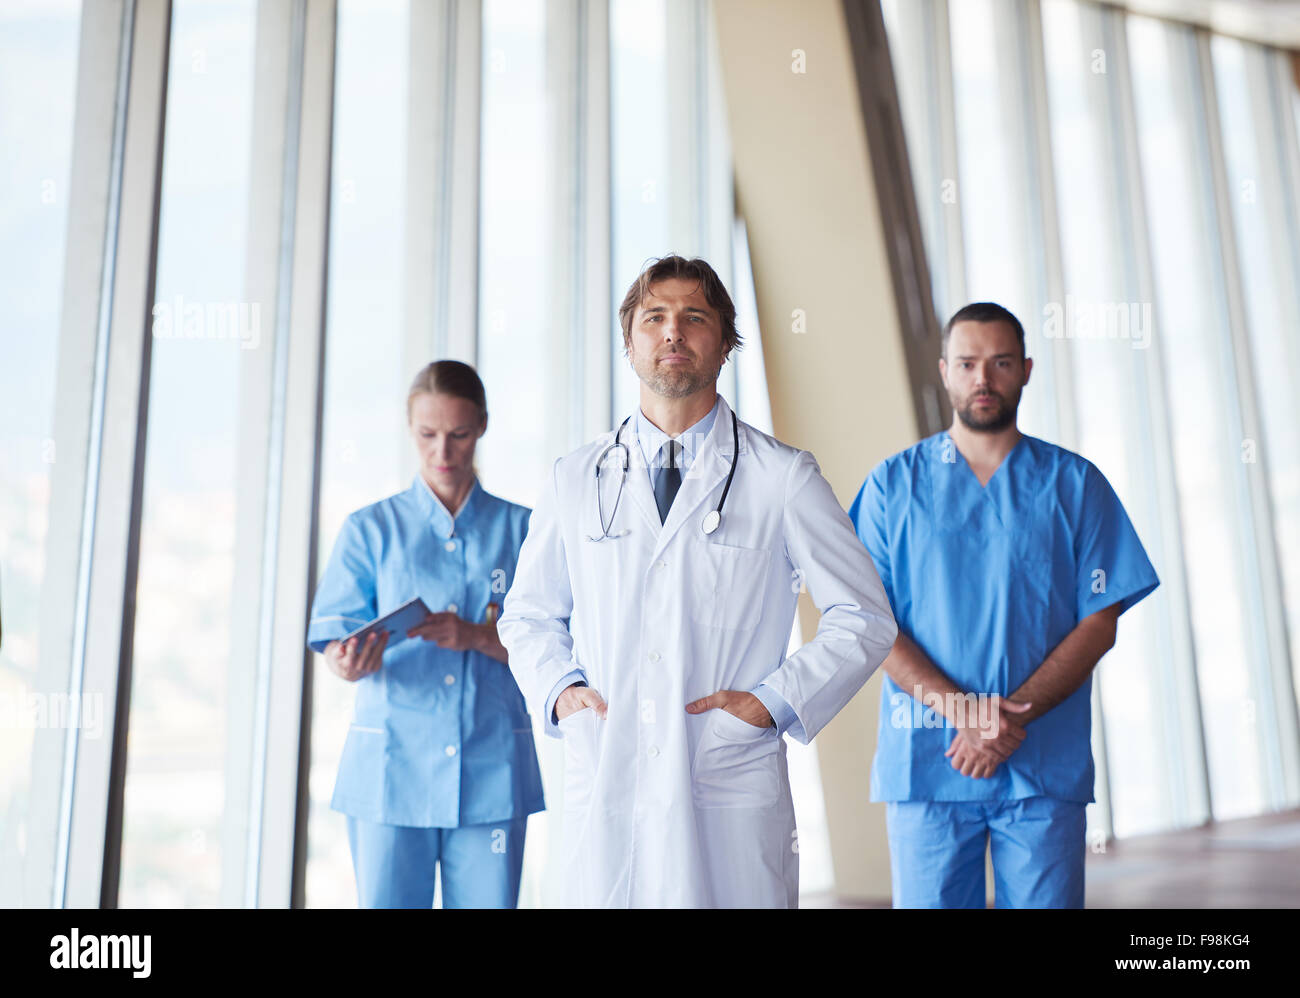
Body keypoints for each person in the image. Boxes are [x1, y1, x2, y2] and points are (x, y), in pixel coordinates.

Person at [498, 255, 897, 908]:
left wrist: (772, 702)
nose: (672, 333)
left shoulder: (782, 477)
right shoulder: (575, 479)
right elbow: (528, 616)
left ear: (727, 343)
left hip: (724, 775)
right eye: (654, 317)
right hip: (606, 767)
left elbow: (864, 616)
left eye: (694, 317)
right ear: (629, 344)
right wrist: (562, 690)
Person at [848, 302, 1159, 909]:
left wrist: (1007, 719)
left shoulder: (1074, 484)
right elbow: (867, 619)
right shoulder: (892, 487)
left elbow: (1099, 621)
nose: (982, 379)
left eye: (1000, 363)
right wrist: (963, 714)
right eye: (967, 363)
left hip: (1042, 764)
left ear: (1026, 370)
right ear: (944, 371)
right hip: (928, 762)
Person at [306, 360, 544, 908]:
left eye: (459, 435)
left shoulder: (526, 529)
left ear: (482, 425)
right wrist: (348, 662)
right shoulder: (370, 530)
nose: (443, 452)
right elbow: (335, 644)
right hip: (390, 773)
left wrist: (476, 636)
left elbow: (563, 642)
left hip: (491, 772)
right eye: (428, 435)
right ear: (409, 430)